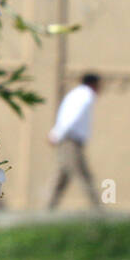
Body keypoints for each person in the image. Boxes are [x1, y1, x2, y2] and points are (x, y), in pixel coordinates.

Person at [46, 73, 100, 209]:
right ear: (93, 84)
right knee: (82, 174)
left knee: (63, 175)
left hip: (70, 140)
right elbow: (71, 117)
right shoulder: (84, 96)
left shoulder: (77, 95)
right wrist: (56, 134)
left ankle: (49, 208)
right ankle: (98, 208)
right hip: (71, 141)